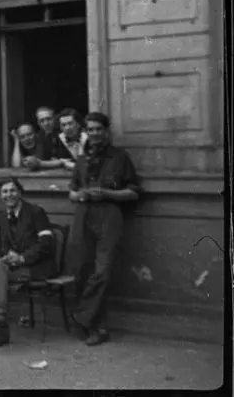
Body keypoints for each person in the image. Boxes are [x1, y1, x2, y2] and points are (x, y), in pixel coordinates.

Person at [68, 112, 141, 346]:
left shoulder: (120, 158)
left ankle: (81, 317)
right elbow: (71, 191)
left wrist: (108, 194)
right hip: (83, 215)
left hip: (110, 215)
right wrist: (78, 195)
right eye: (90, 129)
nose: (95, 133)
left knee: (103, 271)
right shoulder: (81, 160)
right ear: (86, 132)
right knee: (82, 270)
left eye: (99, 129)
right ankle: (97, 326)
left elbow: (134, 191)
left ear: (106, 131)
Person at [0, 177, 57, 347]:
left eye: (12, 191)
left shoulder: (36, 212)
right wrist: (8, 255)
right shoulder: (2, 217)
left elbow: (46, 244)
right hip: (16, 267)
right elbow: (4, 245)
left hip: (38, 266)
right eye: (4, 192)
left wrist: (23, 258)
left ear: (20, 193)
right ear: (0, 196)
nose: (8, 195)